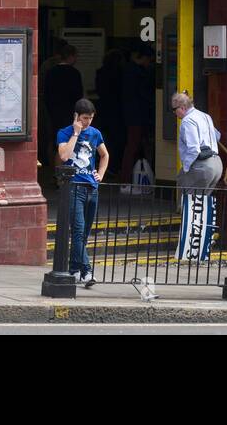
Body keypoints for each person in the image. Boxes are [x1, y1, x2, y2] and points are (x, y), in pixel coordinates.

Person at [56, 99, 109, 287]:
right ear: (76, 116)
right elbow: (64, 156)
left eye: (91, 118)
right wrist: (76, 134)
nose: (88, 122)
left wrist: (100, 174)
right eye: (85, 118)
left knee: (84, 233)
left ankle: (74, 269)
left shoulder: (95, 134)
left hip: (91, 187)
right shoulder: (65, 132)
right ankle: (87, 271)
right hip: (74, 187)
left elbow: (104, 155)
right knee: (77, 230)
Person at [41, 44, 83, 171]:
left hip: (54, 113)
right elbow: (78, 96)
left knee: (55, 142)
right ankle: (66, 174)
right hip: (70, 113)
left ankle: (55, 172)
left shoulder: (51, 72)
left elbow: (46, 94)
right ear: (71, 56)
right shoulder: (74, 73)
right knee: (70, 142)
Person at [118, 44, 155, 187]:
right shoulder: (138, 73)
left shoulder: (128, 70)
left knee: (132, 146)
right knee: (133, 145)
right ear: (145, 58)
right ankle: (126, 180)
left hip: (130, 114)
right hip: (137, 116)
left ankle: (126, 178)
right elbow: (144, 95)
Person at [173, 92, 222, 189]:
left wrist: (186, 168)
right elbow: (217, 136)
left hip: (201, 165)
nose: (174, 113)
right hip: (217, 165)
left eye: (174, 109)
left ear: (182, 107)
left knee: (190, 200)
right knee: (203, 200)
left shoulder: (187, 120)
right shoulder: (206, 116)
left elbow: (194, 149)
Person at [94, 48, 126, 178]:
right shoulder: (120, 73)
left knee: (104, 137)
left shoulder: (100, 72)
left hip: (103, 107)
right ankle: (113, 166)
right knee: (117, 139)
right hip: (116, 109)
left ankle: (103, 164)